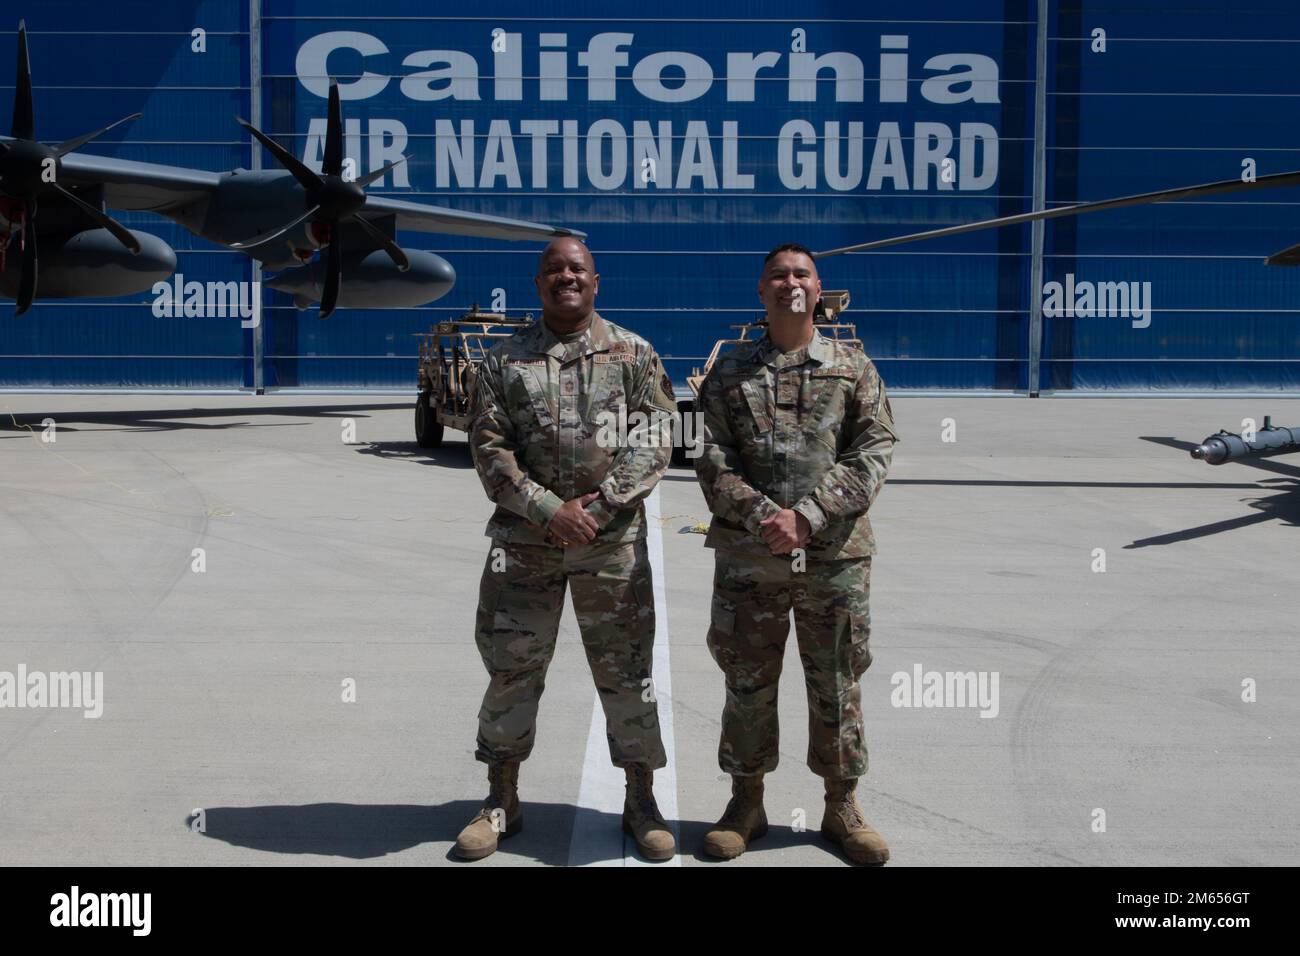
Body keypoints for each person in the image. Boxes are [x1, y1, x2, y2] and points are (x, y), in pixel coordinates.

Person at [455, 236, 680, 861]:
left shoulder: (633, 354)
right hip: (525, 546)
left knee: (628, 673)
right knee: (512, 670)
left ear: (596, 280)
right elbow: (488, 449)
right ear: (538, 284)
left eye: (576, 268)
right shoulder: (505, 361)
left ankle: (641, 800)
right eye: (553, 269)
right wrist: (550, 510)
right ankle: (502, 798)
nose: (565, 277)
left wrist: (600, 507)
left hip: (610, 548)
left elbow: (657, 437)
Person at [693, 243, 899, 864]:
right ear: (761, 292)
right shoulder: (729, 372)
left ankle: (841, 805)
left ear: (819, 287)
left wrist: (808, 516)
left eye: (801, 274)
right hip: (751, 559)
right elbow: (709, 456)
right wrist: (766, 518)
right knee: (747, 681)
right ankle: (746, 803)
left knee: (837, 682)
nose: (791, 283)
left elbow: (875, 450)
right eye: (778, 275)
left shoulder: (853, 367)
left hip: (833, 558)